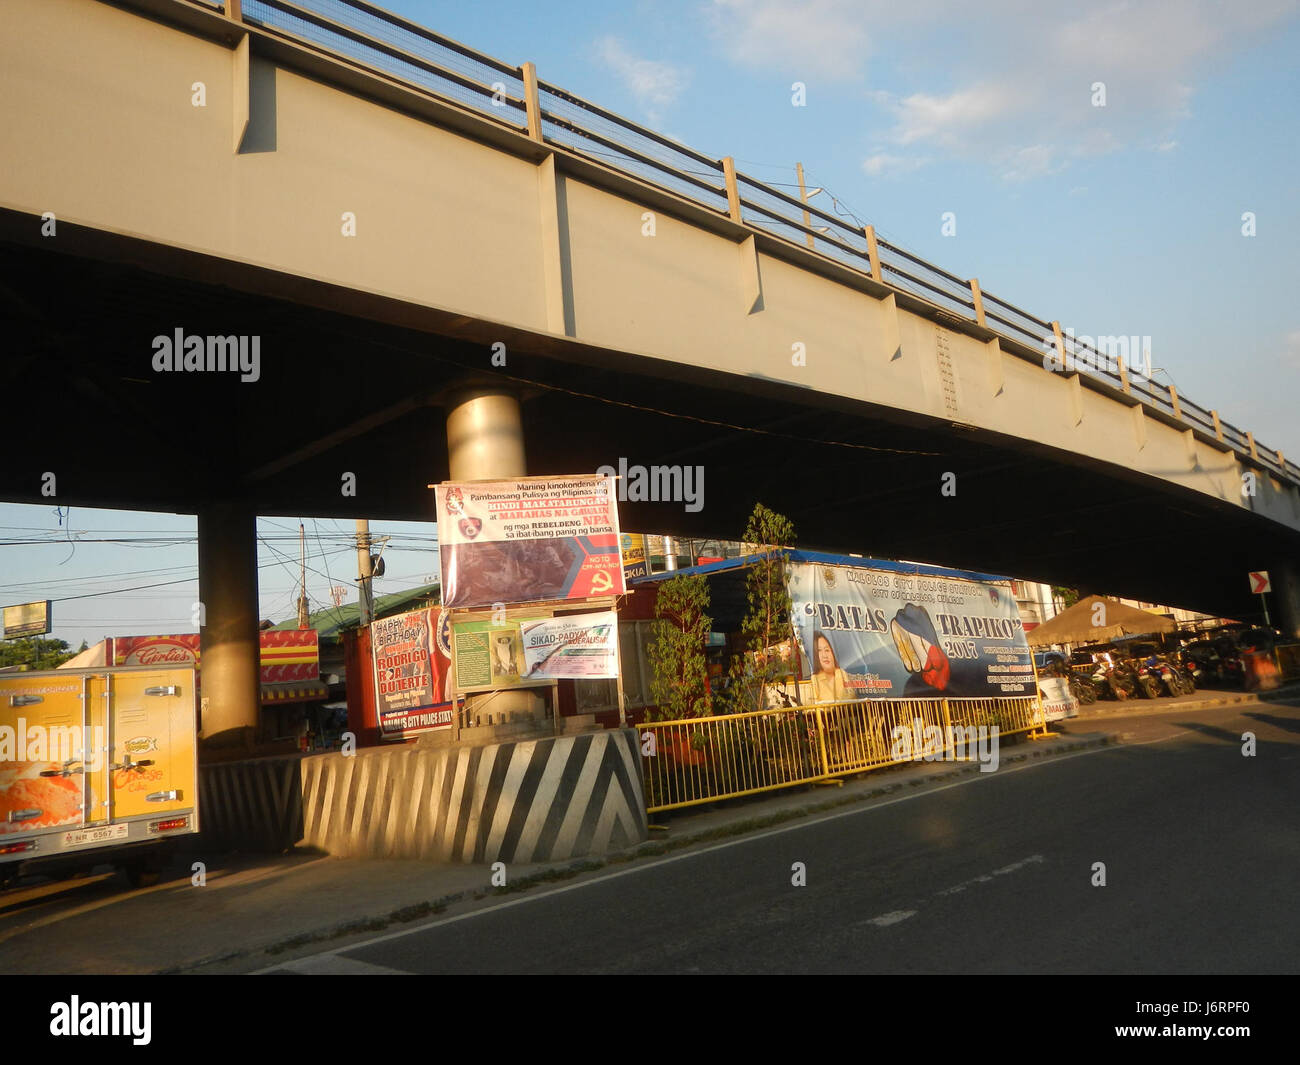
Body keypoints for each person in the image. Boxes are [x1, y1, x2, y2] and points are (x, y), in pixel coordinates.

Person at [810, 632, 849, 703]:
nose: (825, 655)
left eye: (827, 650)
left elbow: (852, 697)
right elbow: (816, 704)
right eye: (819, 651)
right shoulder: (815, 678)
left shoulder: (842, 673)